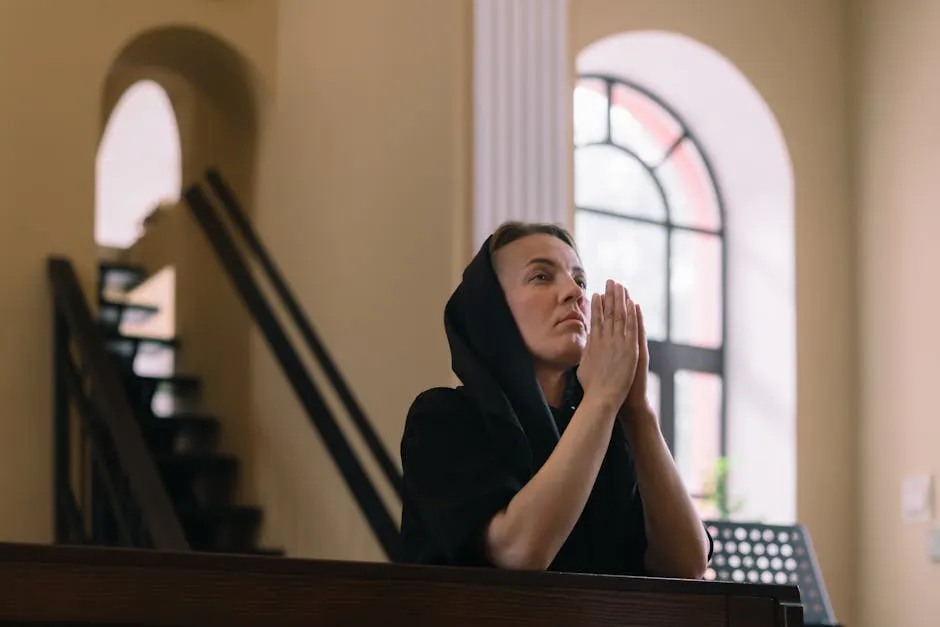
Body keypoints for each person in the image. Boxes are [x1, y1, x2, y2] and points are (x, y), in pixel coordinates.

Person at [399, 221, 712, 577]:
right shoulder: (443, 418)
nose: (574, 293)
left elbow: (687, 565)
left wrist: (638, 411)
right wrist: (603, 398)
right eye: (541, 277)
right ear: (492, 310)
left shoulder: (609, 427)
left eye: (580, 280)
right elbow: (519, 551)